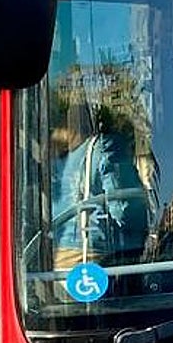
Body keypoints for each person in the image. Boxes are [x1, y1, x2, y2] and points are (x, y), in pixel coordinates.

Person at [52, 99, 150, 277]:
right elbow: (125, 210)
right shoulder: (104, 148)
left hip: (58, 256)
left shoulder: (56, 158)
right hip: (93, 255)